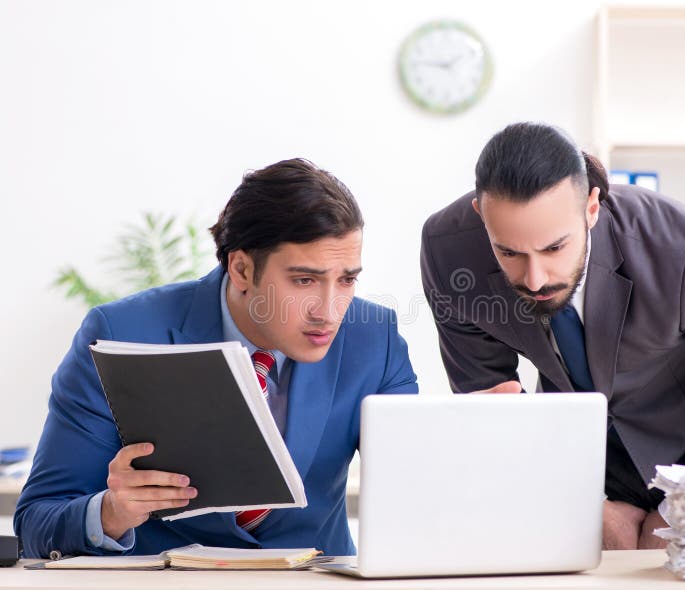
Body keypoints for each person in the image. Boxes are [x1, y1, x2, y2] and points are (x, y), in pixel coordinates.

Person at [420, 122, 685, 550]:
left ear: (591, 208)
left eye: (554, 248)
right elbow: (491, 409)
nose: (535, 278)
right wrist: (576, 502)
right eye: (509, 252)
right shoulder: (448, 251)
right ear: (480, 216)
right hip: (583, 466)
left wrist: (683, 507)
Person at [15, 158, 418, 558]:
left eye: (347, 280)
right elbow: (36, 523)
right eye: (304, 280)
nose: (329, 310)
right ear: (241, 269)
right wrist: (110, 513)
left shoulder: (374, 340)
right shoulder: (121, 333)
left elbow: (418, 490)